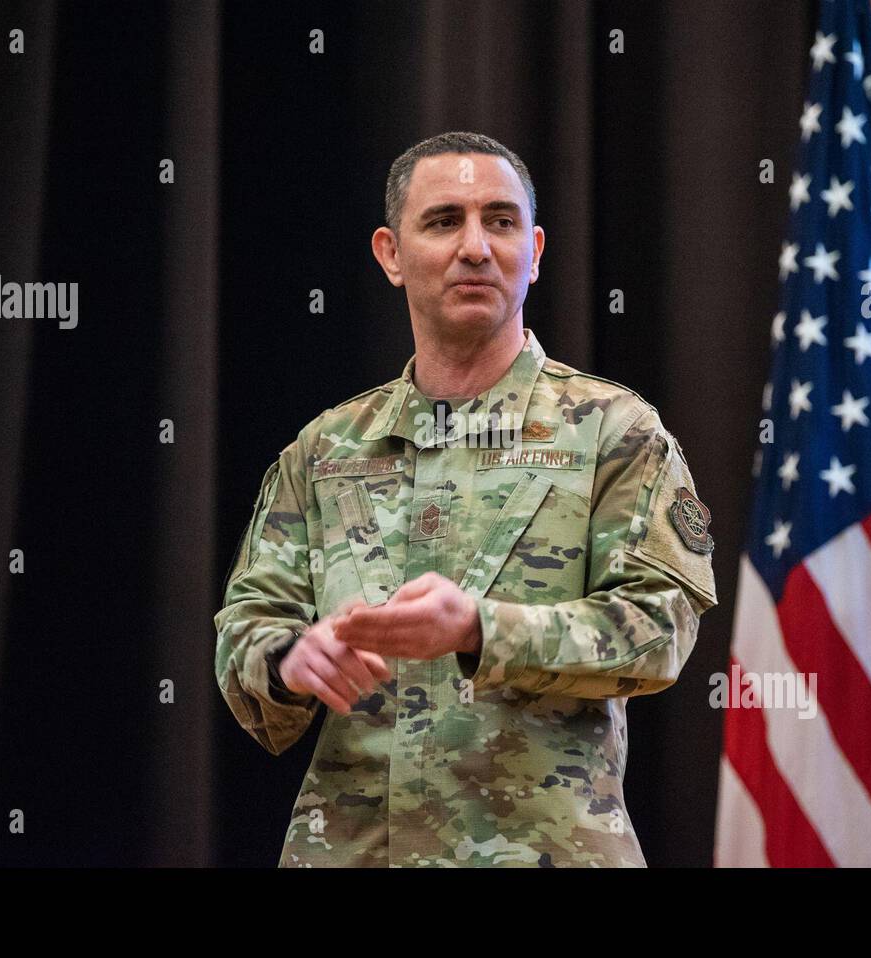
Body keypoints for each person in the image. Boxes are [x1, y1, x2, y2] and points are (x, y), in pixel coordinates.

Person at [214, 131, 718, 867]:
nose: (476, 247)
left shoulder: (615, 431)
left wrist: (481, 629)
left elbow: (657, 629)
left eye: (501, 221)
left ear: (536, 251)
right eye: (444, 220)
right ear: (390, 253)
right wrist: (291, 658)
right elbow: (245, 628)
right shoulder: (324, 450)